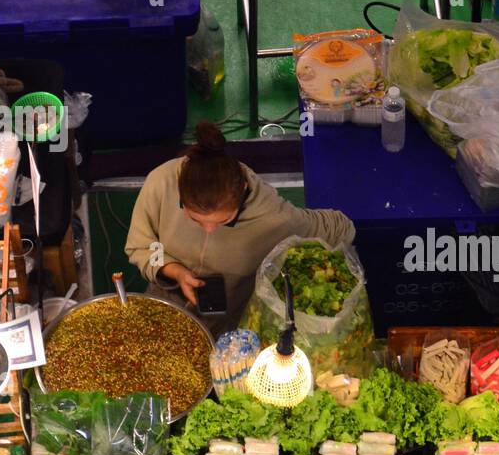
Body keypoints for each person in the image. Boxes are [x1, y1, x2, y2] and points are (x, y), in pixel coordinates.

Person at [125, 121, 356, 336]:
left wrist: (349, 269)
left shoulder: (275, 216)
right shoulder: (161, 182)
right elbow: (142, 245)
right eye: (195, 220)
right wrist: (173, 269)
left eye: (223, 222)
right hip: (161, 308)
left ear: (243, 190)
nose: (208, 230)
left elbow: (338, 226)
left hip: (225, 324)